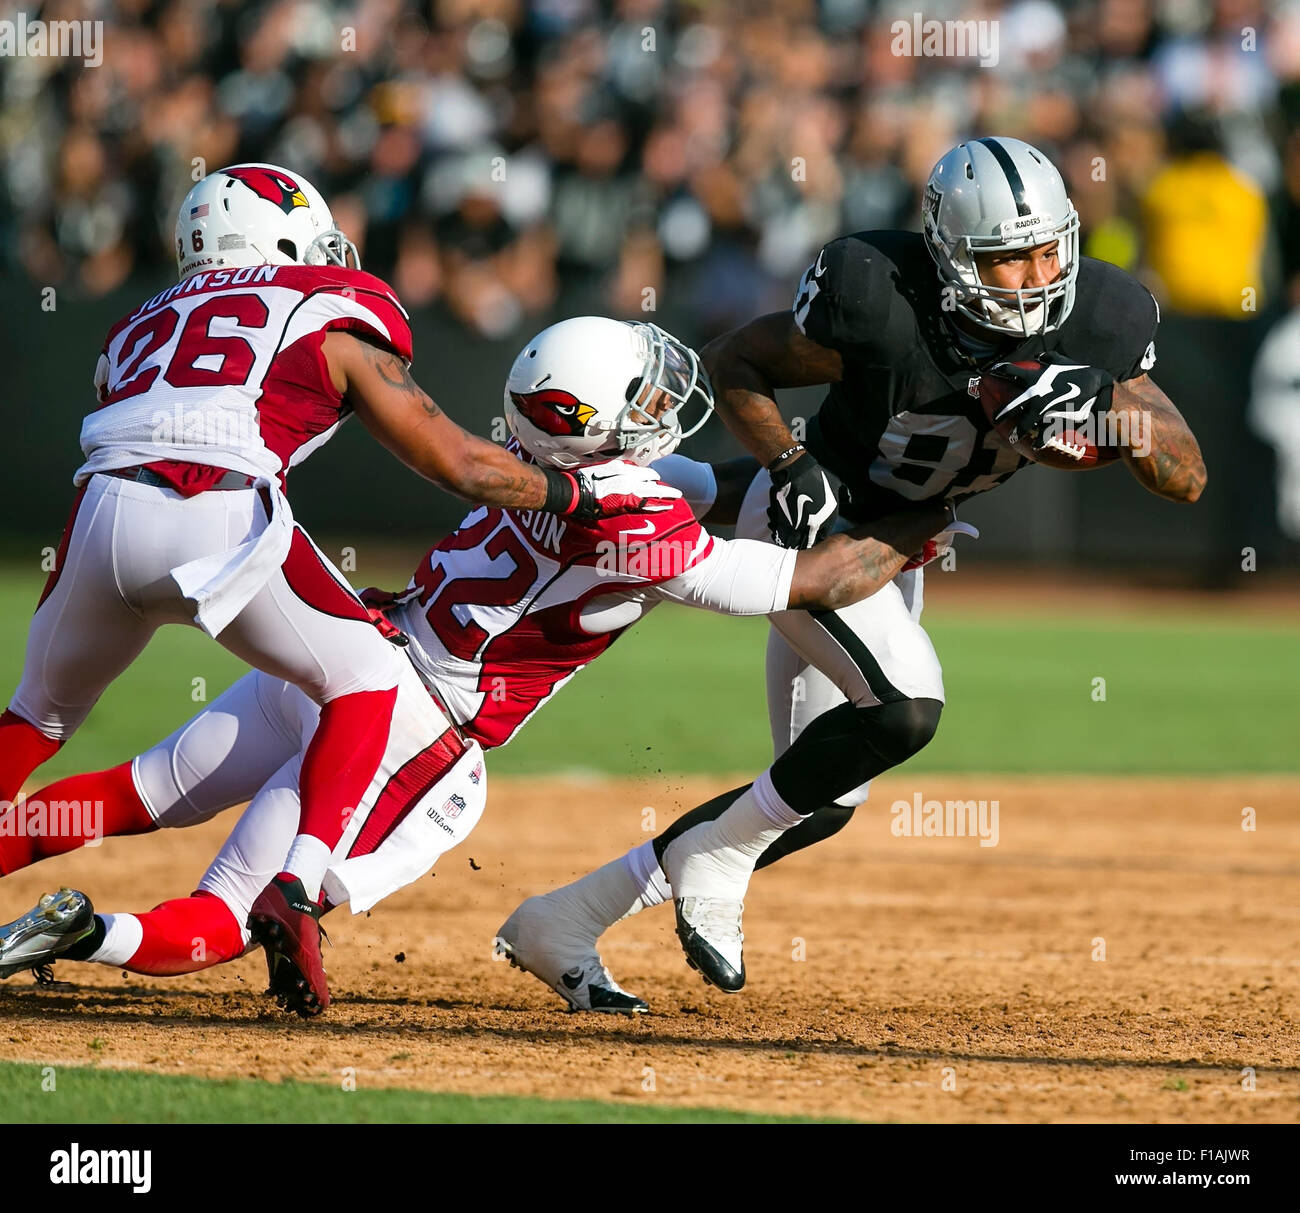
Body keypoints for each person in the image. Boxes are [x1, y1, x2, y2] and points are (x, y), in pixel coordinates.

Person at [0, 316, 957, 1017]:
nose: (669, 403)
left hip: (346, 659)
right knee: (240, 910)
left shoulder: (538, 459)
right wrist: (933, 509)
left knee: (134, 791)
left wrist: (820, 469)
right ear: (601, 423)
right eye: (647, 397)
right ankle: (89, 932)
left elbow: (710, 488)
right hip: (420, 725)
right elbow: (821, 578)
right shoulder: (637, 516)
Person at [500, 135, 1209, 1002]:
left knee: (822, 789)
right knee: (907, 708)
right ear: (949, 255)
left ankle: (563, 918)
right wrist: (790, 463)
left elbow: (1185, 472)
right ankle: (711, 856)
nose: (1032, 279)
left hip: (895, 547)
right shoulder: (880, 293)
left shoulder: (1102, 316)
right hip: (815, 523)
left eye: (1044, 252)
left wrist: (1104, 408)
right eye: (1004, 261)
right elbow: (738, 363)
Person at [0, 163, 679, 1014]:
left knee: (38, 723)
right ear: (284, 237)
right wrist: (573, 495)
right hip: (220, 509)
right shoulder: (330, 301)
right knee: (362, 674)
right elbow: (463, 464)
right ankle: (299, 881)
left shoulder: (138, 320)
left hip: (95, 512)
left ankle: (73, 886)